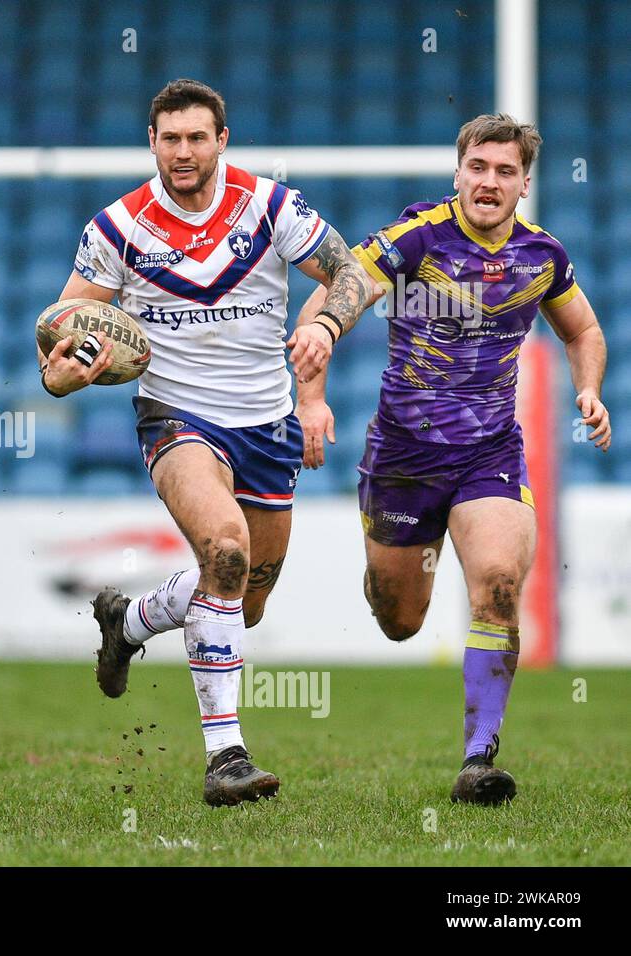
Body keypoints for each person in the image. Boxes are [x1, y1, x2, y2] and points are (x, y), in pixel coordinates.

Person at [42, 79, 369, 806]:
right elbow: (60, 345)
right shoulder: (117, 228)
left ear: (222, 140)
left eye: (197, 137)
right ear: (151, 142)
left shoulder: (271, 206)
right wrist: (66, 373)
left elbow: (352, 271)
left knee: (244, 602)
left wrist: (324, 325)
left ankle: (127, 622)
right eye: (170, 138)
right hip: (177, 418)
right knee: (224, 551)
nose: (183, 151)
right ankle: (227, 757)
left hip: (269, 423)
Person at [295, 114, 612, 804]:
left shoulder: (543, 257)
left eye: (504, 171)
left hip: (489, 454)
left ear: (524, 183)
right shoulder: (419, 237)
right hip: (402, 456)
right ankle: (389, 579)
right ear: (458, 171)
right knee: (400, 619)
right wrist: (314, 390)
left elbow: (583, 328)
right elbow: (335, 290)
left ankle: (479, 759)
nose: (488, 181)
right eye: (478, 166)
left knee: (497, 583)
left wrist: (588, 389)